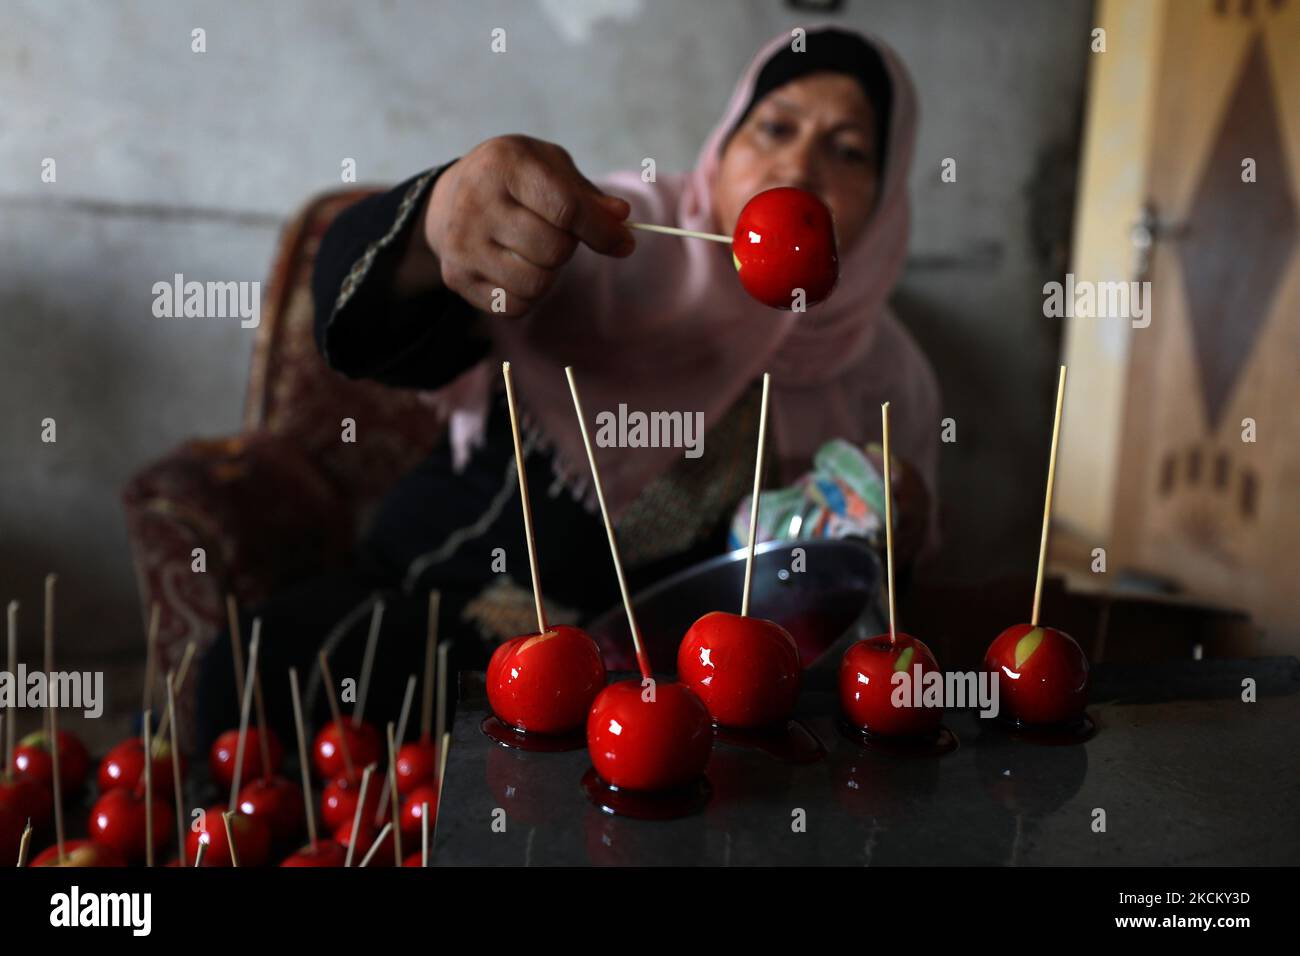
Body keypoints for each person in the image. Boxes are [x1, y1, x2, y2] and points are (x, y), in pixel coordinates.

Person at [196, 27, 940, 751]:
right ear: (724, 145)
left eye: (848, 150)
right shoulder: (609, 237)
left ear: (887, 196)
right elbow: (364, 329)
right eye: (775, 128)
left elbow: (860, 609)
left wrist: (890, 529)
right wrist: (441, 221)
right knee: (258, 675)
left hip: (665, 701)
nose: (800, 166)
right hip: (449, 615)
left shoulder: (888, 376)